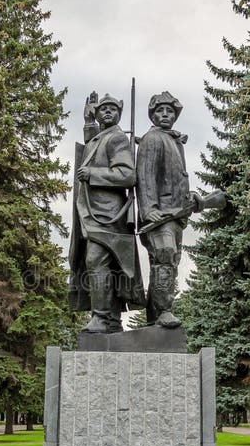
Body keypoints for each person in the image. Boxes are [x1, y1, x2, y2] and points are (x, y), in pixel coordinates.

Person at [68, 92, 145, 333]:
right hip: (91, 213)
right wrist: (88, 122)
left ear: (120, 113)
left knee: (95, 260)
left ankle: (101, 317)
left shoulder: (117, 138)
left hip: (108, 215)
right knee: (104, 265)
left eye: (113, 108)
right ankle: (111, 320)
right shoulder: (101, 137)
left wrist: (94, 175)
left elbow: (127, 175)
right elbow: (91, 145)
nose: (108, 112)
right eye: (103, 109)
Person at [136, 91, 200, 328]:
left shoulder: (173, 140)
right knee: (164, 255)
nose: (165, 114)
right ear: (152, 114)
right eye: (160, 110)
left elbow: (175, 179)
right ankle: (163, 311)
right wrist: (149, 208)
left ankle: (155, 319)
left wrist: (190, 198)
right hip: (159, 215)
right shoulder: (153, 139)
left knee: (168, 263)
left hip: (176, 215)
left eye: (170, 111)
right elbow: (145, 176)